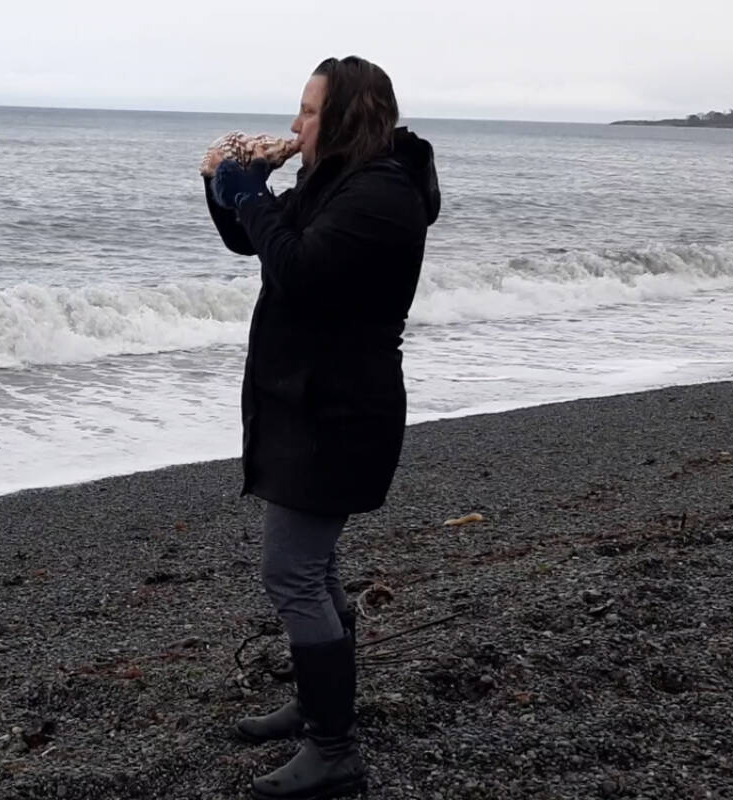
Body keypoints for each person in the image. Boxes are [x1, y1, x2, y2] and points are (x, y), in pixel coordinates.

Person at [203, 56, 440, 800]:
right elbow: (255, 242)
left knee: (291, 573)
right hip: (305, 403)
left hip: (341, 413)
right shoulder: (335, 179)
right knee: (316, 567)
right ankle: (319, 707)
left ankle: (335, 749)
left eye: (308, 111)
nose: (295, 123)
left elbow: (299, 269)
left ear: (344, 118)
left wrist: (251, 193)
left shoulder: (381, 195)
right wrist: (228, 186)